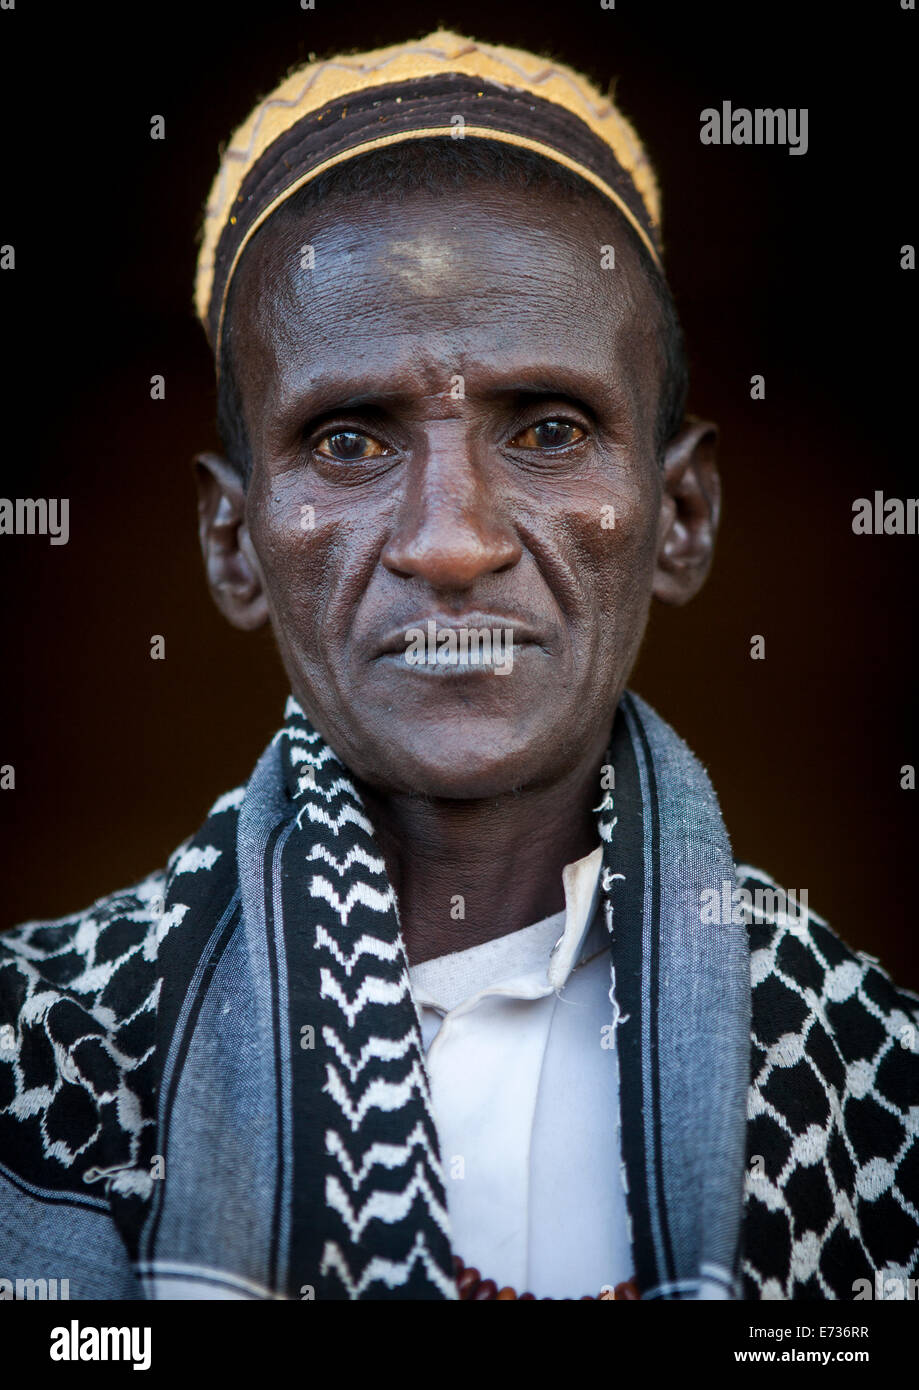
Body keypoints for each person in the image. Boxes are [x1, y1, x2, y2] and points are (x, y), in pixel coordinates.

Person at [1, 29, 916, 1303]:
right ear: (234, 542)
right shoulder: (36, 1051)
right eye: (350, 442)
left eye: (545, 429)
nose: (451, 540)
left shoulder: (881, 1092)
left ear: (682, 515)